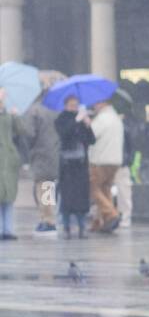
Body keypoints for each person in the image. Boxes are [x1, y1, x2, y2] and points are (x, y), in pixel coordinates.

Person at [54, 96, 94, 239]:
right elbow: (64, 134)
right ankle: (66, 227)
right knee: (67, 198)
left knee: (81, 198)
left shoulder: (82, 119)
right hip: (67, 166)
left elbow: (91, 140)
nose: (74, 108)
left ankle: (82, 227)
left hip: (81, 164)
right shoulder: (61, 119)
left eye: (76, 105)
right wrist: (76, 120)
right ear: (65, 106)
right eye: (71, 105)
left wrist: (88, 125)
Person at [22, 88, 60, 235]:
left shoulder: (35, 110)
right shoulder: (55, 111)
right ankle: (48, 218)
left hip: (39, 154)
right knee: (48, 188)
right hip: (53, 153)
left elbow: (29, 133)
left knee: (42, 189)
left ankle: (48, 220)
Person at [87, 99, 122, 234]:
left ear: (102, 103)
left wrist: (88, 123)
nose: (94, 106)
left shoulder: (102, 119)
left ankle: (111, 213)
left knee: (93, 188)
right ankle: (103, 220)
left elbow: (91, 136)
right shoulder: (115, 118)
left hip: (101, 159)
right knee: (105, 188)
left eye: (96, 103)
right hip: (115, 159)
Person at [0, 88, 30, 240]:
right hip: (6, 161)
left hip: (9, 162)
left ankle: (7, 229)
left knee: (9, 197)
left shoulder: (10, 116)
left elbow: (23, 131)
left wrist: (16, 116)